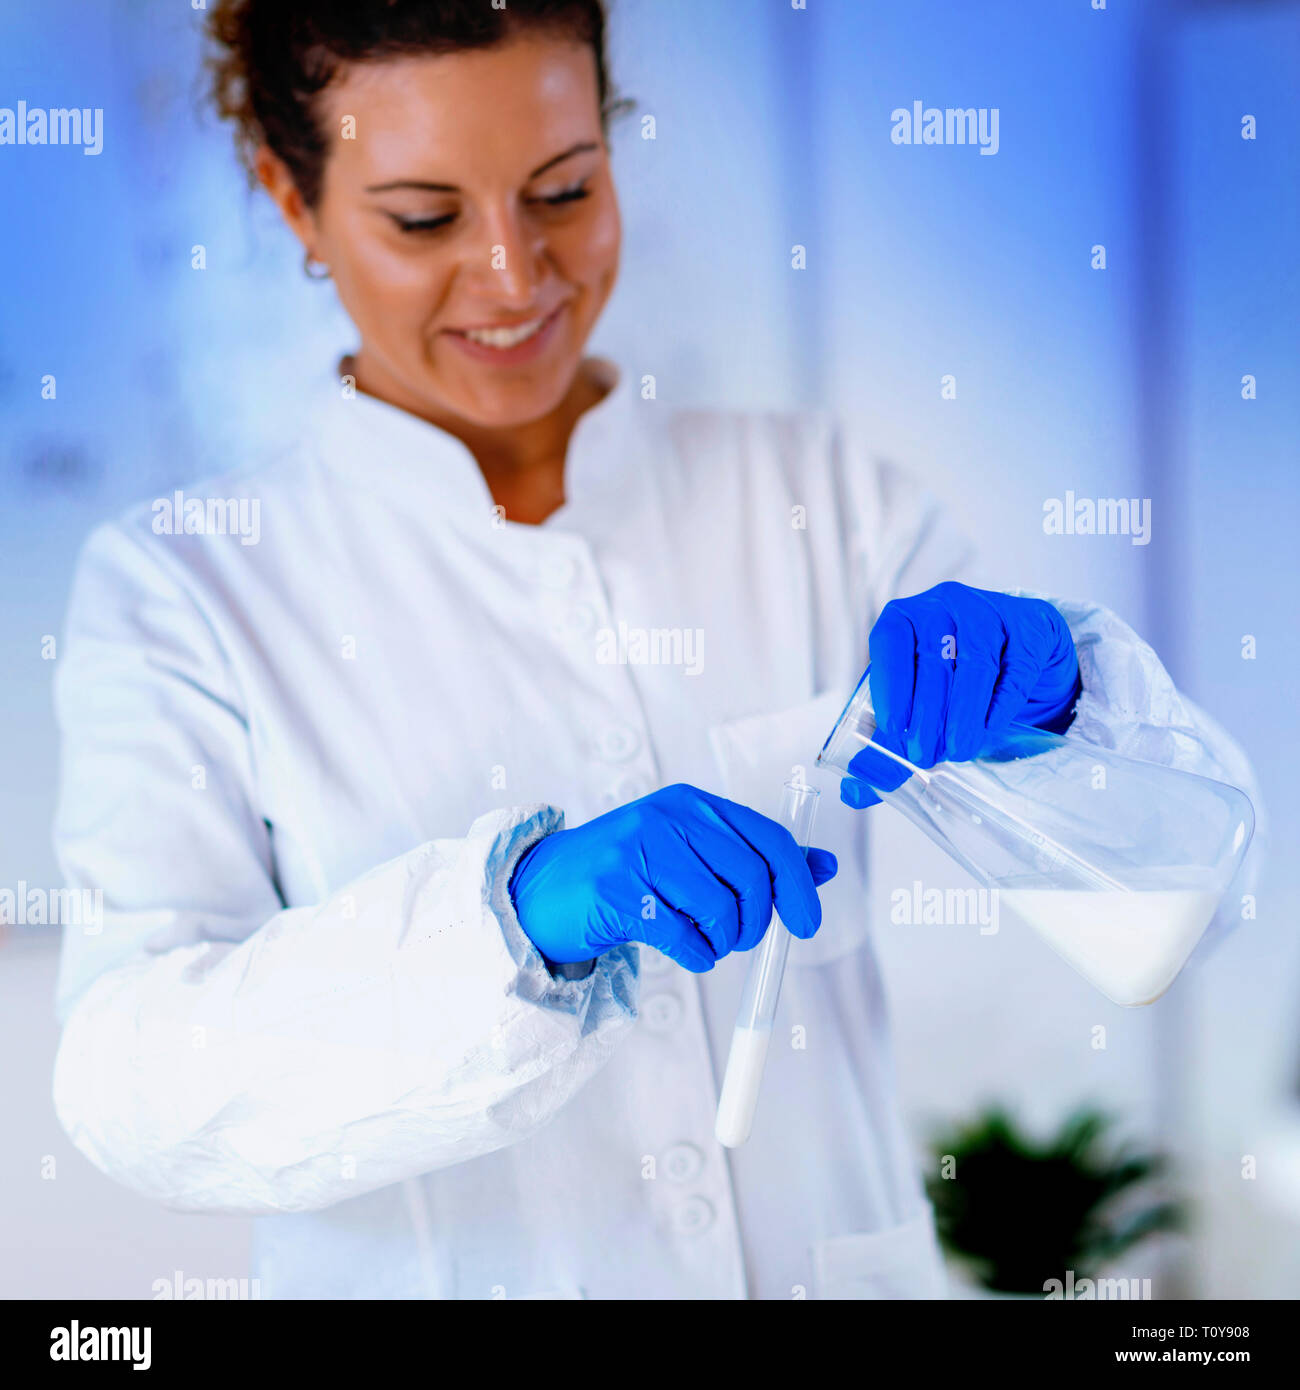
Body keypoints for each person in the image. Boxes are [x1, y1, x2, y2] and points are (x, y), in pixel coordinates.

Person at [50, 0, 1257, 1300]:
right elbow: (131, 1082)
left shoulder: (825, 499)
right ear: (295, 201)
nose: (516, 276)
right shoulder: (183, 586)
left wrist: (1068, 700)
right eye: (425, 218)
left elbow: (1191, 895)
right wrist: (512, 923)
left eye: (563, 189)